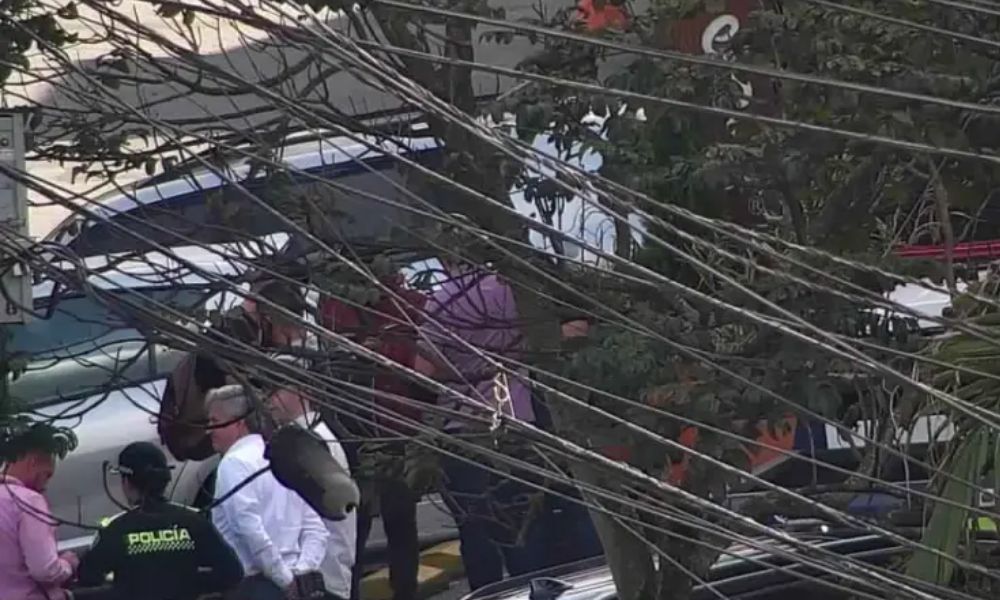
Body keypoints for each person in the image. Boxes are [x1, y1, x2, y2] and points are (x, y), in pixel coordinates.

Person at [416, 258, 549, 590]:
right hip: (517, 424)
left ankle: (486, 594)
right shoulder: (511, 291)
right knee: (521, 527)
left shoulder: (442, 300)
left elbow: (422, 369)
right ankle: (531, 591)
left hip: (463, 427)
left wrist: (461, 372)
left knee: (475, 529)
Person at [319, 274, 426, 600]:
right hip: (362, 428)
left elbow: (417, 368)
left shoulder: (406, 306)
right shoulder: (335, 304)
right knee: (363, 522)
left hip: (385, 427)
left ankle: (402, 590)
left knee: (391, 521)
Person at [206, 384, 331, 600]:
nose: (208, 430)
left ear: (239, 423)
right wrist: (302, 574)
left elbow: (250, 530)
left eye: (215, 422)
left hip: (255, 586)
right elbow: (317, 528)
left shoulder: (234, 463)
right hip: (296, 581)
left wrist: (287, 580)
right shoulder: (284, 458)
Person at [75, 442, 244, 600]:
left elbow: (88, 576)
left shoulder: (116, 529)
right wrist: (186, 582)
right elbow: (232, 572)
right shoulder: (194, 521)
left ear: (126, 482)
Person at [269, 388, 356, 600]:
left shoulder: (312, 443)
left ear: (301, 391)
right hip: (323, 572)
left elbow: (313, 521)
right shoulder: (302, 438)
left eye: (275, 390)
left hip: (324, 574)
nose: (268, 399)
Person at [0, 426, 78, 600]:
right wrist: (68, 564)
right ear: (33, 462)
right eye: (47, 475)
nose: (45, 485)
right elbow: (45, 570)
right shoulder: (28, 501)